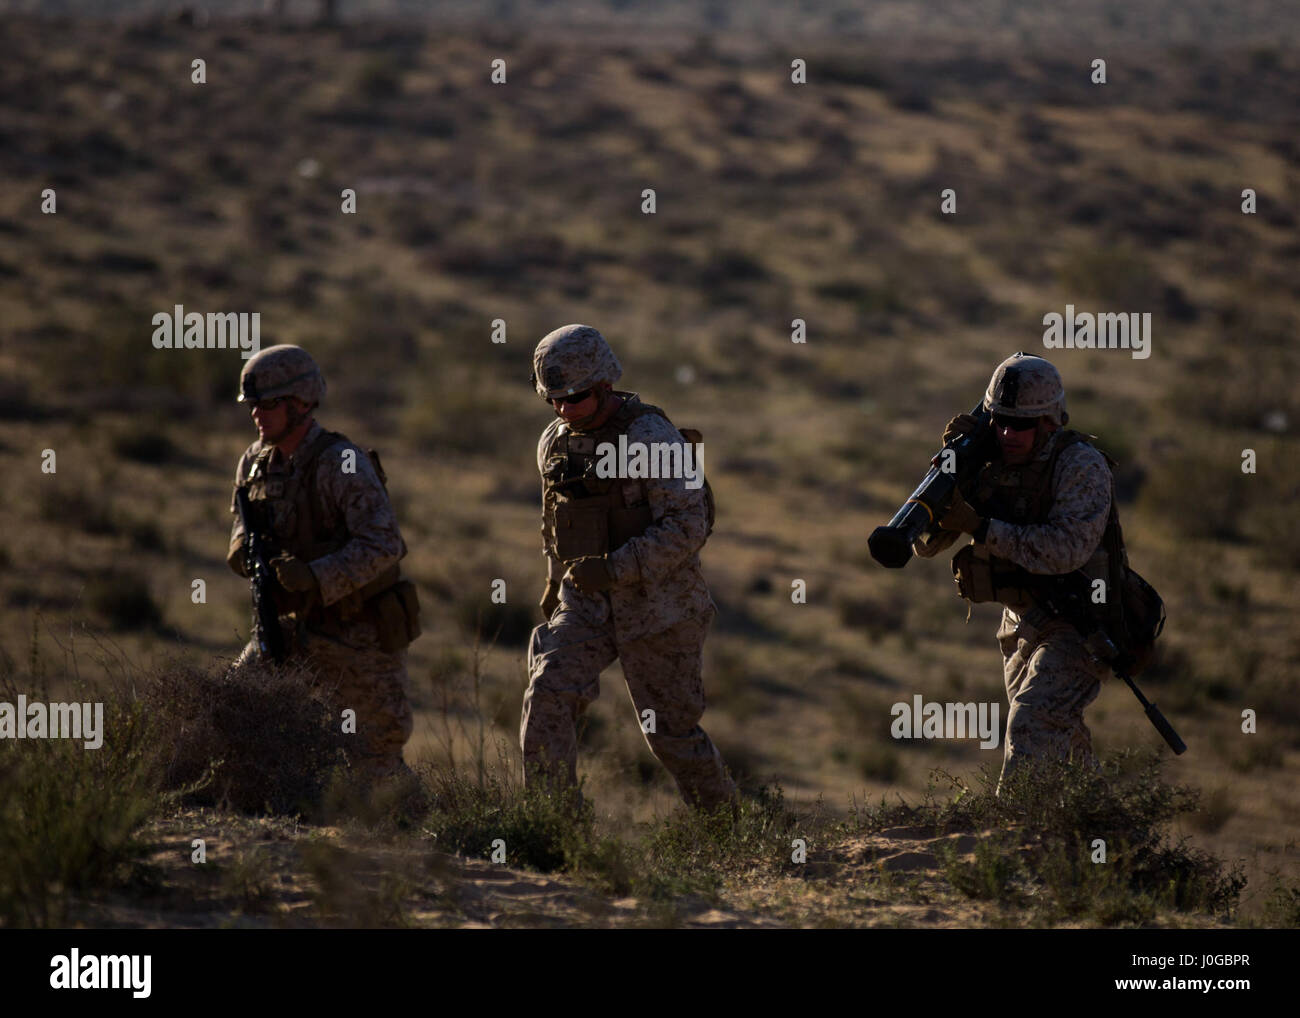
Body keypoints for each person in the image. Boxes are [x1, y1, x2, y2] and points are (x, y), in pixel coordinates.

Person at [521, 324, 736, 811]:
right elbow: (553, 520)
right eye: (552, 399)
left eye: (574, 397)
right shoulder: (554, 441)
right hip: (586, 603)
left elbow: (688, 525)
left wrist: (616, 568)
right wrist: (555, 582)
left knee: (670, 735)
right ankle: (553, 831)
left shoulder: (651, 438)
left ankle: (731, 835)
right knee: (548, 692)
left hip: (660, 607)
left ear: (603, 386)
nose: (563, 409)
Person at [913, 353, 1115, 789]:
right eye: (999, 421)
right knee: (1064, 742)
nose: (1007, 434)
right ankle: (1116, 839)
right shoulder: (988, 459)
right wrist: (951, 472)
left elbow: (1064, 550)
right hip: (1021, 621)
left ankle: (1008, 842)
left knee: (1032, 723)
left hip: (1082, 620)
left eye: (1020, 425)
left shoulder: (1080, 465)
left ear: (1050, 422)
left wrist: (980, 526)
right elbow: (932, 540)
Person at [226, 344, 419, 783]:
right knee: (235, 714)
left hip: (356, 635)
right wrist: (242, 550)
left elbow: (385, 543)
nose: (258, 415)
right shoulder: (254, 465)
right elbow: (241, 527)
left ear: (301, 403)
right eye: (254, 405)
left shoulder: (340, 462)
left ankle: (427, 842)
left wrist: (315, 575)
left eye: (269, 404)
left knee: (376, 757)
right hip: (285, 627)